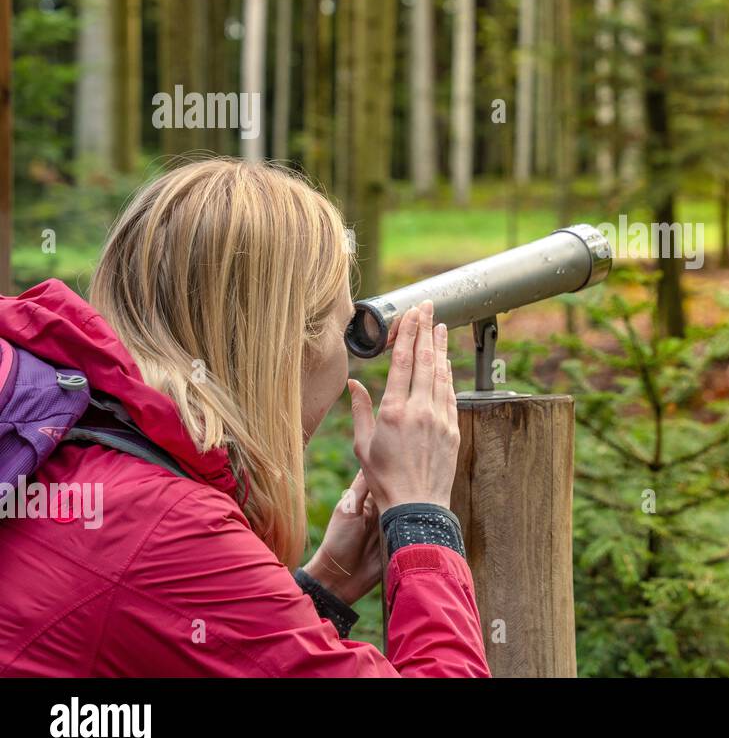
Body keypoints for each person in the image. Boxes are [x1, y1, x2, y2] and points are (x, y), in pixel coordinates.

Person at [0, 158, 490, 676]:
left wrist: (321, 590)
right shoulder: (164, 530)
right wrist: (422, 520)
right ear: (286, 344)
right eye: (344, 329)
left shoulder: (81, 447)